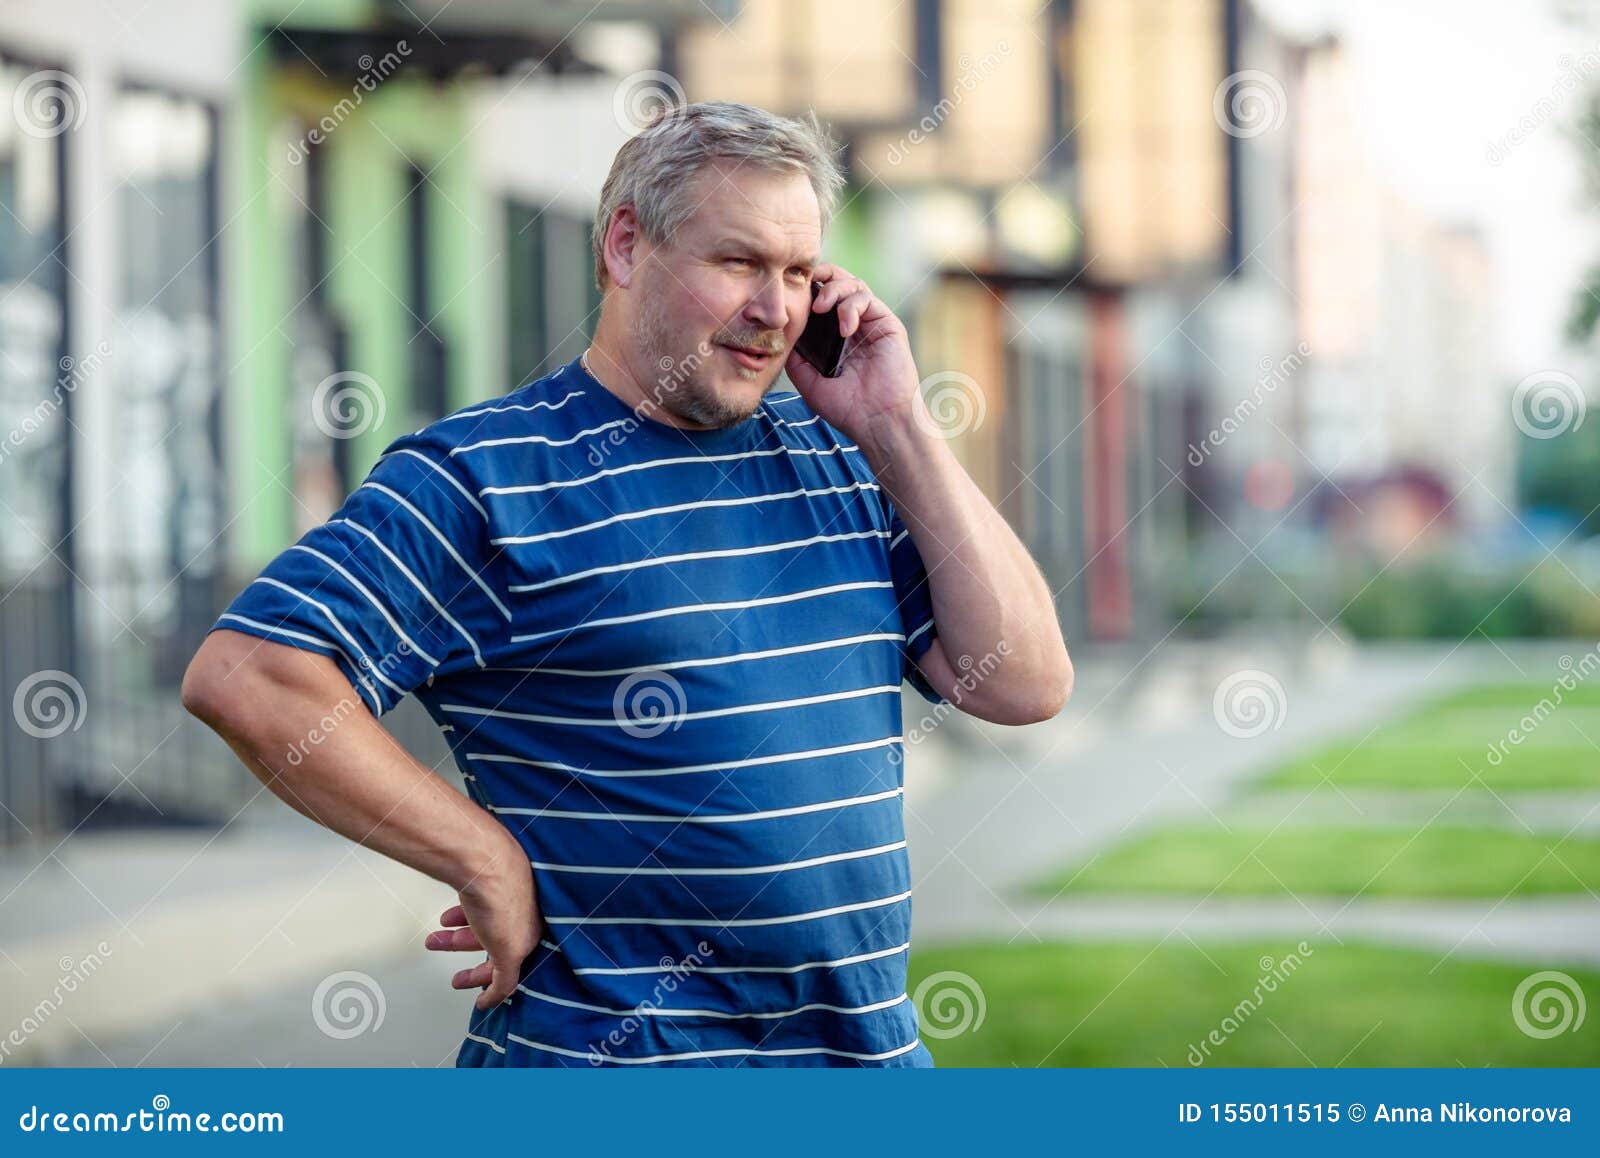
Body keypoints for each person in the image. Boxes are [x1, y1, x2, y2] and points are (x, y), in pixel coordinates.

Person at [181, 100, 1072, 1067]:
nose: (775, 310)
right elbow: (252, 675)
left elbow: (1022, 684)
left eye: (800, 274)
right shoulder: (491, 475)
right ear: (623, 246)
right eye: (737, 262)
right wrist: (481, 857)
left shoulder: (846, 458)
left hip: (866, 1064)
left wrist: (899, 424)